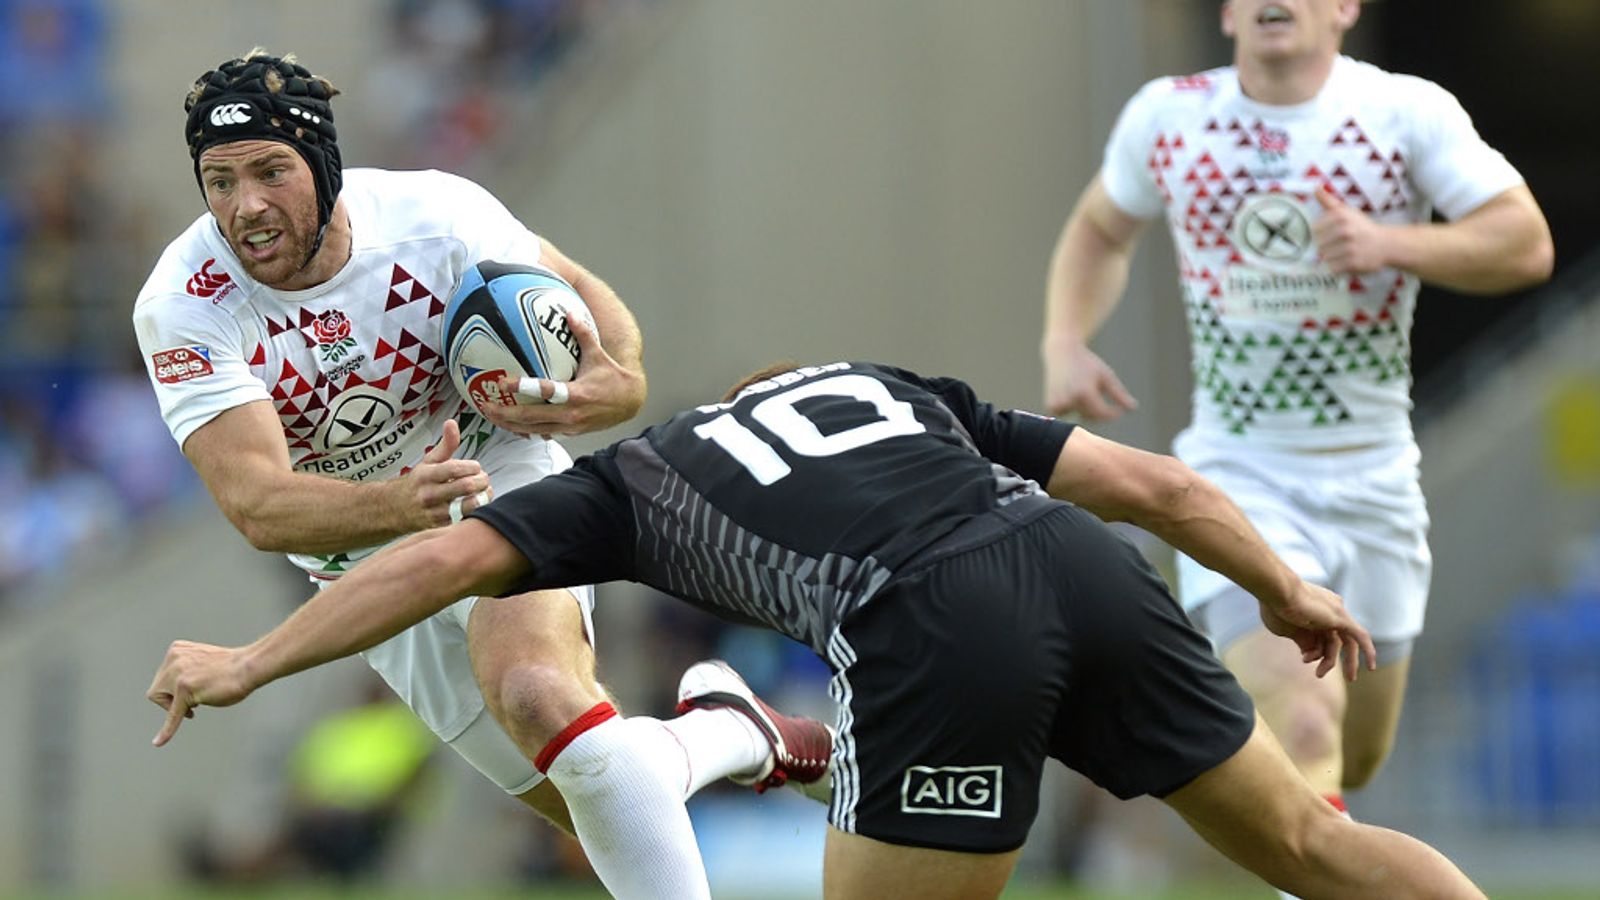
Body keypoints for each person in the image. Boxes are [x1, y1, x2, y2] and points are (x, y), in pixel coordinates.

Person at [147, 360, 1490, 900]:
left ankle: (727, 740)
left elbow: (432, 566)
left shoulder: (626, 482)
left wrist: (252, 661)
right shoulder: (889, 386)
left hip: (933, 627)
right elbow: (1161, 486)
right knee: (1317, 843)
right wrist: (1280, 587)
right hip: (1082, 564)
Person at [132, 50, 831, 899]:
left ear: (322, 163)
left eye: (272, 171)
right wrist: (398, 503)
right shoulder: (185, 301)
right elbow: (260, 507)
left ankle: (734, 738)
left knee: (539, 695)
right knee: (599, 799)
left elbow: (573, 289)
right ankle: (735, 735)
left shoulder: (436, 217)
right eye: (220, 179)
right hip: (361, 560)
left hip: (496, 466)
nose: (247, 207)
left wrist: (622, 374)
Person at [1039, 0, 1554, 861]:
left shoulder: (1404, 111)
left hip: (1376, 483)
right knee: (1303, 715)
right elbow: (1100, 226)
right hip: (1241, 479)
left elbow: (1525, 242)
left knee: (1355, 748)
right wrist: (1064, 340)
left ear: (1346, 8)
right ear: (1230, 11)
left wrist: (1390, 244)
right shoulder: (1170, 115)